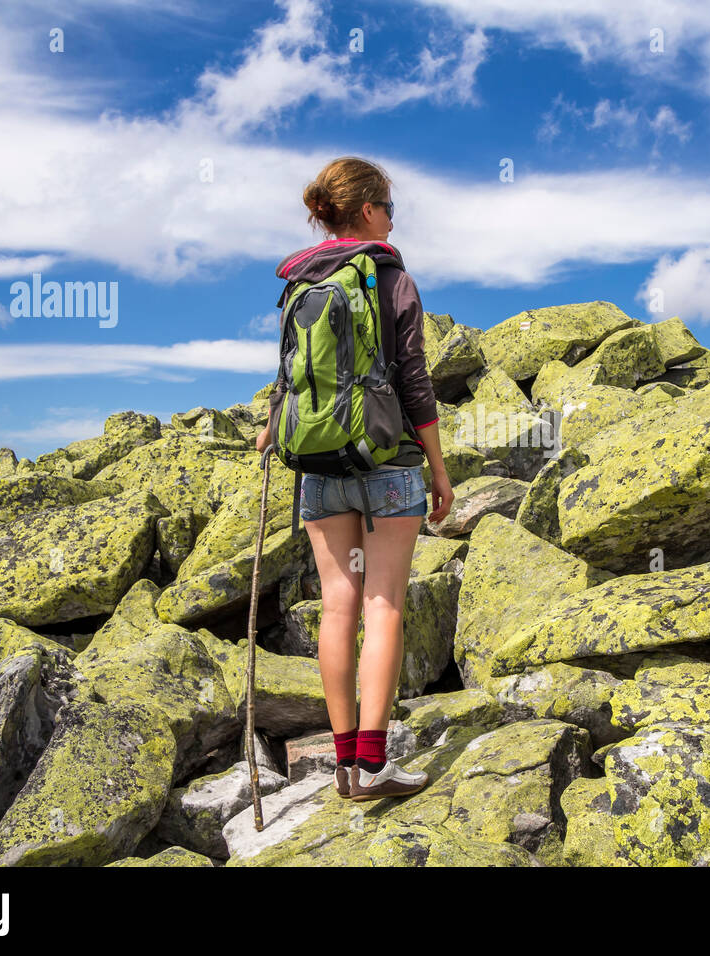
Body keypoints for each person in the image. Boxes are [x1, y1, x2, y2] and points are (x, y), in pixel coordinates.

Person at [255, 156, 454, 801]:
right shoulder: (389, 278)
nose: (395, 220)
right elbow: (414, 381)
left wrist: (271, 430)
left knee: (338, 604)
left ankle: (342, 769)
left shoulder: (298, 283)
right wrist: (440, 469)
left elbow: (290, 378)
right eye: (390, 208)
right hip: (388, 458)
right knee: (384, 602)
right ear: (367, 211)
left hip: (316, 459)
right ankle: (375, 764)